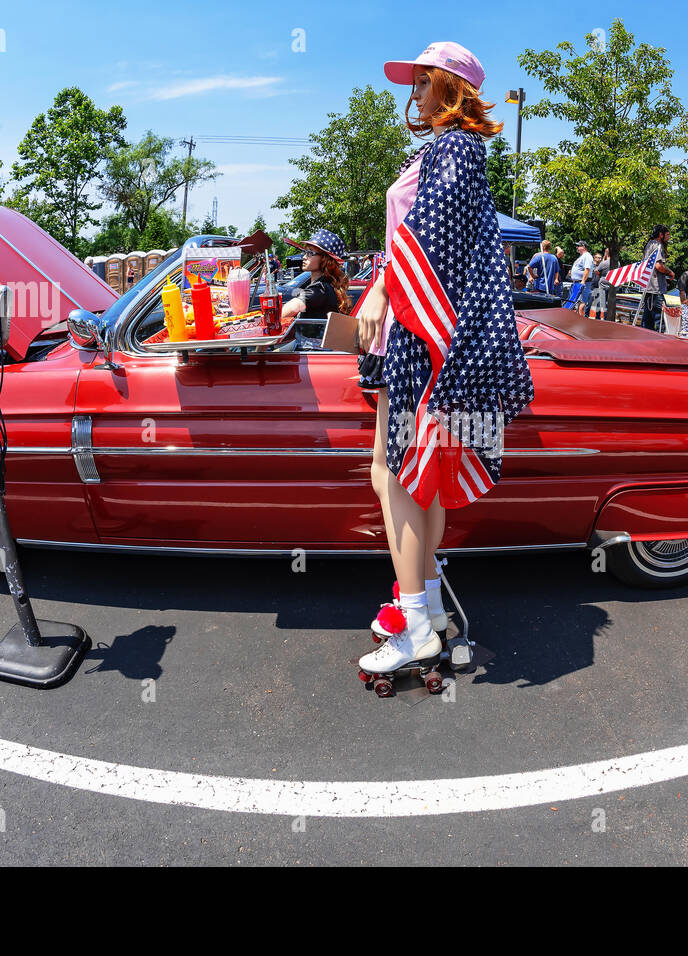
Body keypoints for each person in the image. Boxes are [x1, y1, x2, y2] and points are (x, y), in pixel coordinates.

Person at [355, 41, 534, 677]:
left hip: (418, 332)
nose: (415, 91)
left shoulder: (455, 148)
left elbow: (429, 239)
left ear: (448, 87)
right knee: (414, 473)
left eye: (423, 81)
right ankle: (425, 606)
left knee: (396, 473)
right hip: (417, 328)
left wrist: (379, 287)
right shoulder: (446, 149)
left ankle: (412, 625)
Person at [281, 229, 352, 349]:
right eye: (305, 252)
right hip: (307, 349)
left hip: (311, 353)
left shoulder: (319, 290)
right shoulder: (322, 285)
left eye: (310, 253)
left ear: (325, 260)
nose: (304, 257)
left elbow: (287, 311)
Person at [638, 225, 675, 328]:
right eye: (667, 234)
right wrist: (670, 273)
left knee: (647, 322)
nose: (669, 237)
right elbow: (658, 266)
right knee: (661, 323)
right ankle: (661, 343)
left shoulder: (649, 244)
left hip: (648, 288)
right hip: (655, 289)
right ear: (660, 235)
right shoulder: (657, 245)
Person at [566, 240, 593, 312]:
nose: (577, 247)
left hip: (583, 283)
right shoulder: (582, 256)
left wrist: (583, 281)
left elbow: (587, 269)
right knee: (574, 302)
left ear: (583, 247)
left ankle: (581, 321)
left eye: (578, 246)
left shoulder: (587, 256)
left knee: (582, 302)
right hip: (578, 282)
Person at [590, 250, 611, 320]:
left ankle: (600, 318)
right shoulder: (617, 263)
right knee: (605, 303)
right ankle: (603, 318)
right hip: (610, 285)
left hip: (602, 286)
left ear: (606, 254)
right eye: (598, 257)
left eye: (600, 257)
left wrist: (600, 275)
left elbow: (596, 271)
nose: (599, 259)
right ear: (594, 258)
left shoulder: (603, 263)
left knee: (601, 303)